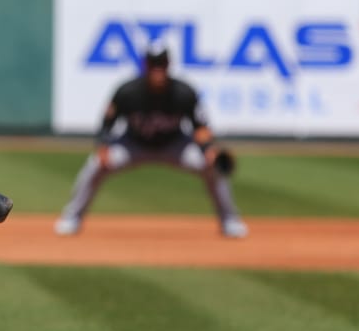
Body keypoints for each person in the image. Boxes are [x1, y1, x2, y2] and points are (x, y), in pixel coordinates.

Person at [54, 41, 248, 238]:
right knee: (95, 165)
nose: (158, 69)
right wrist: (103, 148)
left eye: (161, 63)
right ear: (146, 65)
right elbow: (107, 123)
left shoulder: (183, 92)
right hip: (133, 144)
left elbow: (201, 127)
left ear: (168, 64)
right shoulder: (128, 91)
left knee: (212, 167)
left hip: (175, 145)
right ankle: (72, 218)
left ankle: (229, 221)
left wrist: (209, 151)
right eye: (154, 63)